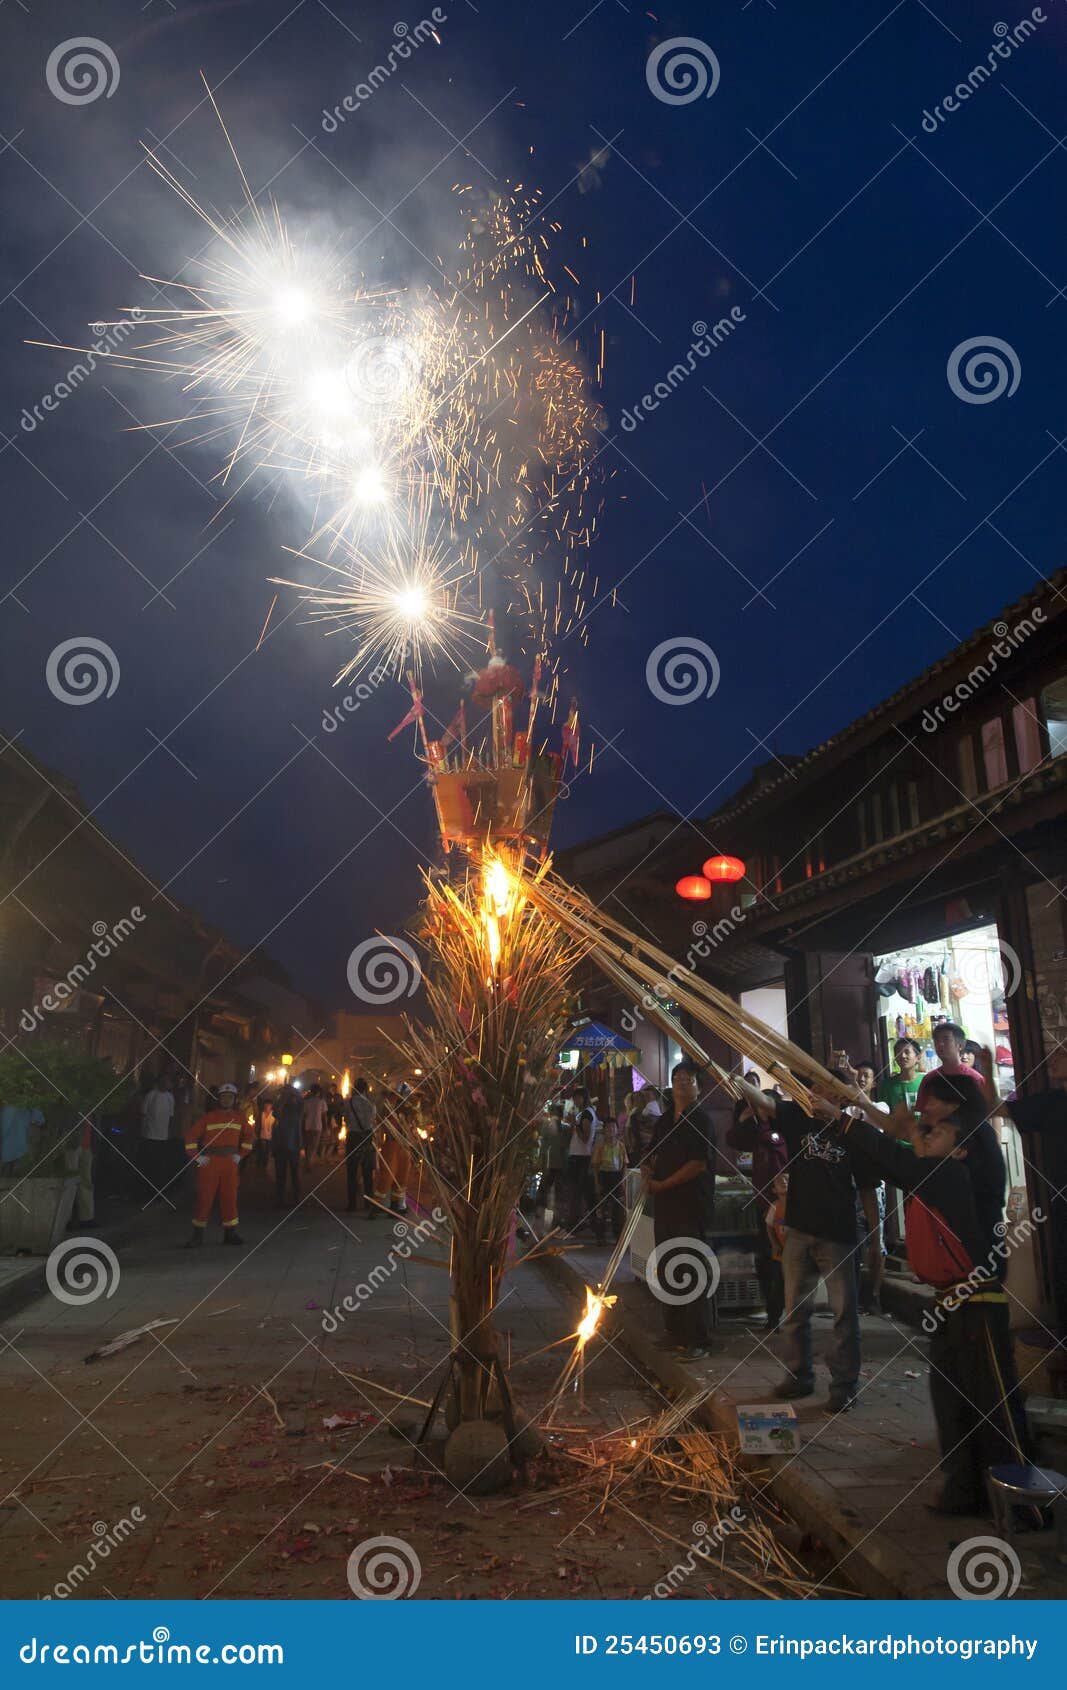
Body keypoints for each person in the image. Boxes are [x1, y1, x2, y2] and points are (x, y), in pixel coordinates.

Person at [836, 1075, 1023, 1515]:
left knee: (993, 1405)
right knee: (951, 1400)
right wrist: (846, 1120)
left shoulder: (955, 1172)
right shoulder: (940, 1166)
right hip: (949, 1304)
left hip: (978, 1304)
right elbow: (893, 1157)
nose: (924, 1127)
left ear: (958, 1146)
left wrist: (845, 1122)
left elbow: (898, 1158)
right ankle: (964, 1490)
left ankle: (1022, 1503)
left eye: (934, 1126)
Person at [736, 1070, 882, 1414]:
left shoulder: (853, 1133)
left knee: (844, 1315)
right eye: (813, 1085)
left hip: (839, 1234)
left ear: (840, 1095)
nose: (814, 1092)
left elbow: (867, 1191)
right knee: (795, 1311)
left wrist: (875, 1239)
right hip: (799, 1230)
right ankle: (799, 1376)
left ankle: (844, 1386)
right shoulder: (798, 1118)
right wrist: (735, 1079)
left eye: (823, 1087)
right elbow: (764, 1101)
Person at [643, 1059, 717, 1361]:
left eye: (689, 1079)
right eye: (678, 1078)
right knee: (667, 1266)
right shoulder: (664, 1120)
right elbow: (651, 1153)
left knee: (692, 1269)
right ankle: (674, 1331)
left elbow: (698, 1164)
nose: (683, 1082)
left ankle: (699, 1338)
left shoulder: (702, 1120)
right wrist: (647, 1171)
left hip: (691, 1206)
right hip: (665, 1207)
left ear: (699, 1088)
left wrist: (664, 1184)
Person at [727, 1086, 787, 1333]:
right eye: (759, 1105)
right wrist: (742, 1119)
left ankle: (781, 1314)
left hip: (784, 1208)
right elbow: (733, 1140)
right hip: (763, 1205)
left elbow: (770, 1142)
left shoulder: (782, 1132)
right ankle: (773, 1314)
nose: (762, 1110)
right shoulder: (758, 1130)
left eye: (766, 1105)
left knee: (782, 1263)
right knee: (766, 1260)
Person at [182, 1081, 253, 1247]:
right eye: (224, 1097)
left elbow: (250, 1137)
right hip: (210, 1163)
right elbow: (191, 1136)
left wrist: (241, 1155)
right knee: (204, 1198)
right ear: (219, 1099)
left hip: (230, 1163)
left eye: (230, 1097)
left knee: (230, 1197)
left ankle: (230, 1233)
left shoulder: (240, 1118)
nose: (226, 1100)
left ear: (234, 1099)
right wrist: (197, 1157)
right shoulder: (208, 1118)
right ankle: (197, 1235)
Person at [139, 1075, 175, 1202]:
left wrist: (169, 1133)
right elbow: (143, 1114)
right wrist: (142, 1132)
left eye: (168, 1081)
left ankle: (157, 1192)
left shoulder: (170, 1097)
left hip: (163, 1137)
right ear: (159, 1082)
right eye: (164, 1081)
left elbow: (171, 1117)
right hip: (150, 1136)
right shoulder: (151, 1095)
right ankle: (145, 1192)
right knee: (148, 1165)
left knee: (160, 1166)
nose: (166, 1084)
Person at [344, 1078, 377, 1216]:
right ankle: (368, 1202)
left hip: (353, 1137)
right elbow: (372, 1121)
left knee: (351, 1171)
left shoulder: (348, 1102)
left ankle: (352, 1203)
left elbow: (346, 1119)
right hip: (367, 1137)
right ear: (365, 1089)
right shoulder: (371, 1104)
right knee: (367, 1171)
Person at [592, 1115, 627, 1243]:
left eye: (613, 1127)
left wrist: (623, 1181)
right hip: (604, 1176)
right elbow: (595, 1166)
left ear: (617, 1130)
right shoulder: (600, 1147)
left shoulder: (621, 1146)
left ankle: (618, 1236)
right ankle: (600, 1236)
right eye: (608, 1127)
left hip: (617, 1177)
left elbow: (624, 1165)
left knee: (618, 1209)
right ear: (604, 1130)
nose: (611, 1130)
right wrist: (597, 1183)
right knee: (602, 1208)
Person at [566, 1107, 599, 1233]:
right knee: (579, 1192)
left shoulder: (586, 1114)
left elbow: (585, 1138)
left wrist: (575, 1124)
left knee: (580, 1192)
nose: (574, 1101)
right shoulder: (582, 1113)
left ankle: (578, 1223)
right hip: (578, 1156)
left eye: (576, 1098)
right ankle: (580, 1222)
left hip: (581, 1157)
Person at [535, 1103, 569, 1218]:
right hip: (556, 1163)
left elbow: (544, 1145)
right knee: (553, 1191)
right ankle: (554, 1217)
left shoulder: (552, 1127)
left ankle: (547, 1216)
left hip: (553, 1163)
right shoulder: (563, 1128)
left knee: (548, 1191)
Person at [272, 1082, 303, 1206]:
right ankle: (291, 1199)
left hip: (285, 1147)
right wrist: (291, 1092)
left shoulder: (292, 1113)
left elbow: (301, 1102)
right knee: (291, 1175)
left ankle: (284, 1199)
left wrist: (287, 1092)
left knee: (284, 1175)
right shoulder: (288, 1114)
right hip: (289, 1147)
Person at [877, 1037, 923, 1112]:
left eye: (907, 1052)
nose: (903, 1056)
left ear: (918, 1057)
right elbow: (883, 1114)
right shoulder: (887, 1085)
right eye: (898, 1052)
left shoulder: (927, 1081)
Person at [626, 1086, 662, 1165]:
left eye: (648, 1096)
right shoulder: (634, 1115)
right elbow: (628, 1130)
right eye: (645, 1096)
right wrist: (630, 1145)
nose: (645, 1098)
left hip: (652, 1146)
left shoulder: (654, 1110)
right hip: (639, 1147)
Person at [302, 1084, 327, 1163]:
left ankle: (307, 1160)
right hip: (317, 1126)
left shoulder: (306, 1101)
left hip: (307, 1126)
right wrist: (326, 1128)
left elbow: (303, 1115)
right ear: (318, 1092)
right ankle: (309, 1162)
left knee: (308, 1144)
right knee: (314, 1146)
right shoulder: (321, 1101)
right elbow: (324, 1116)